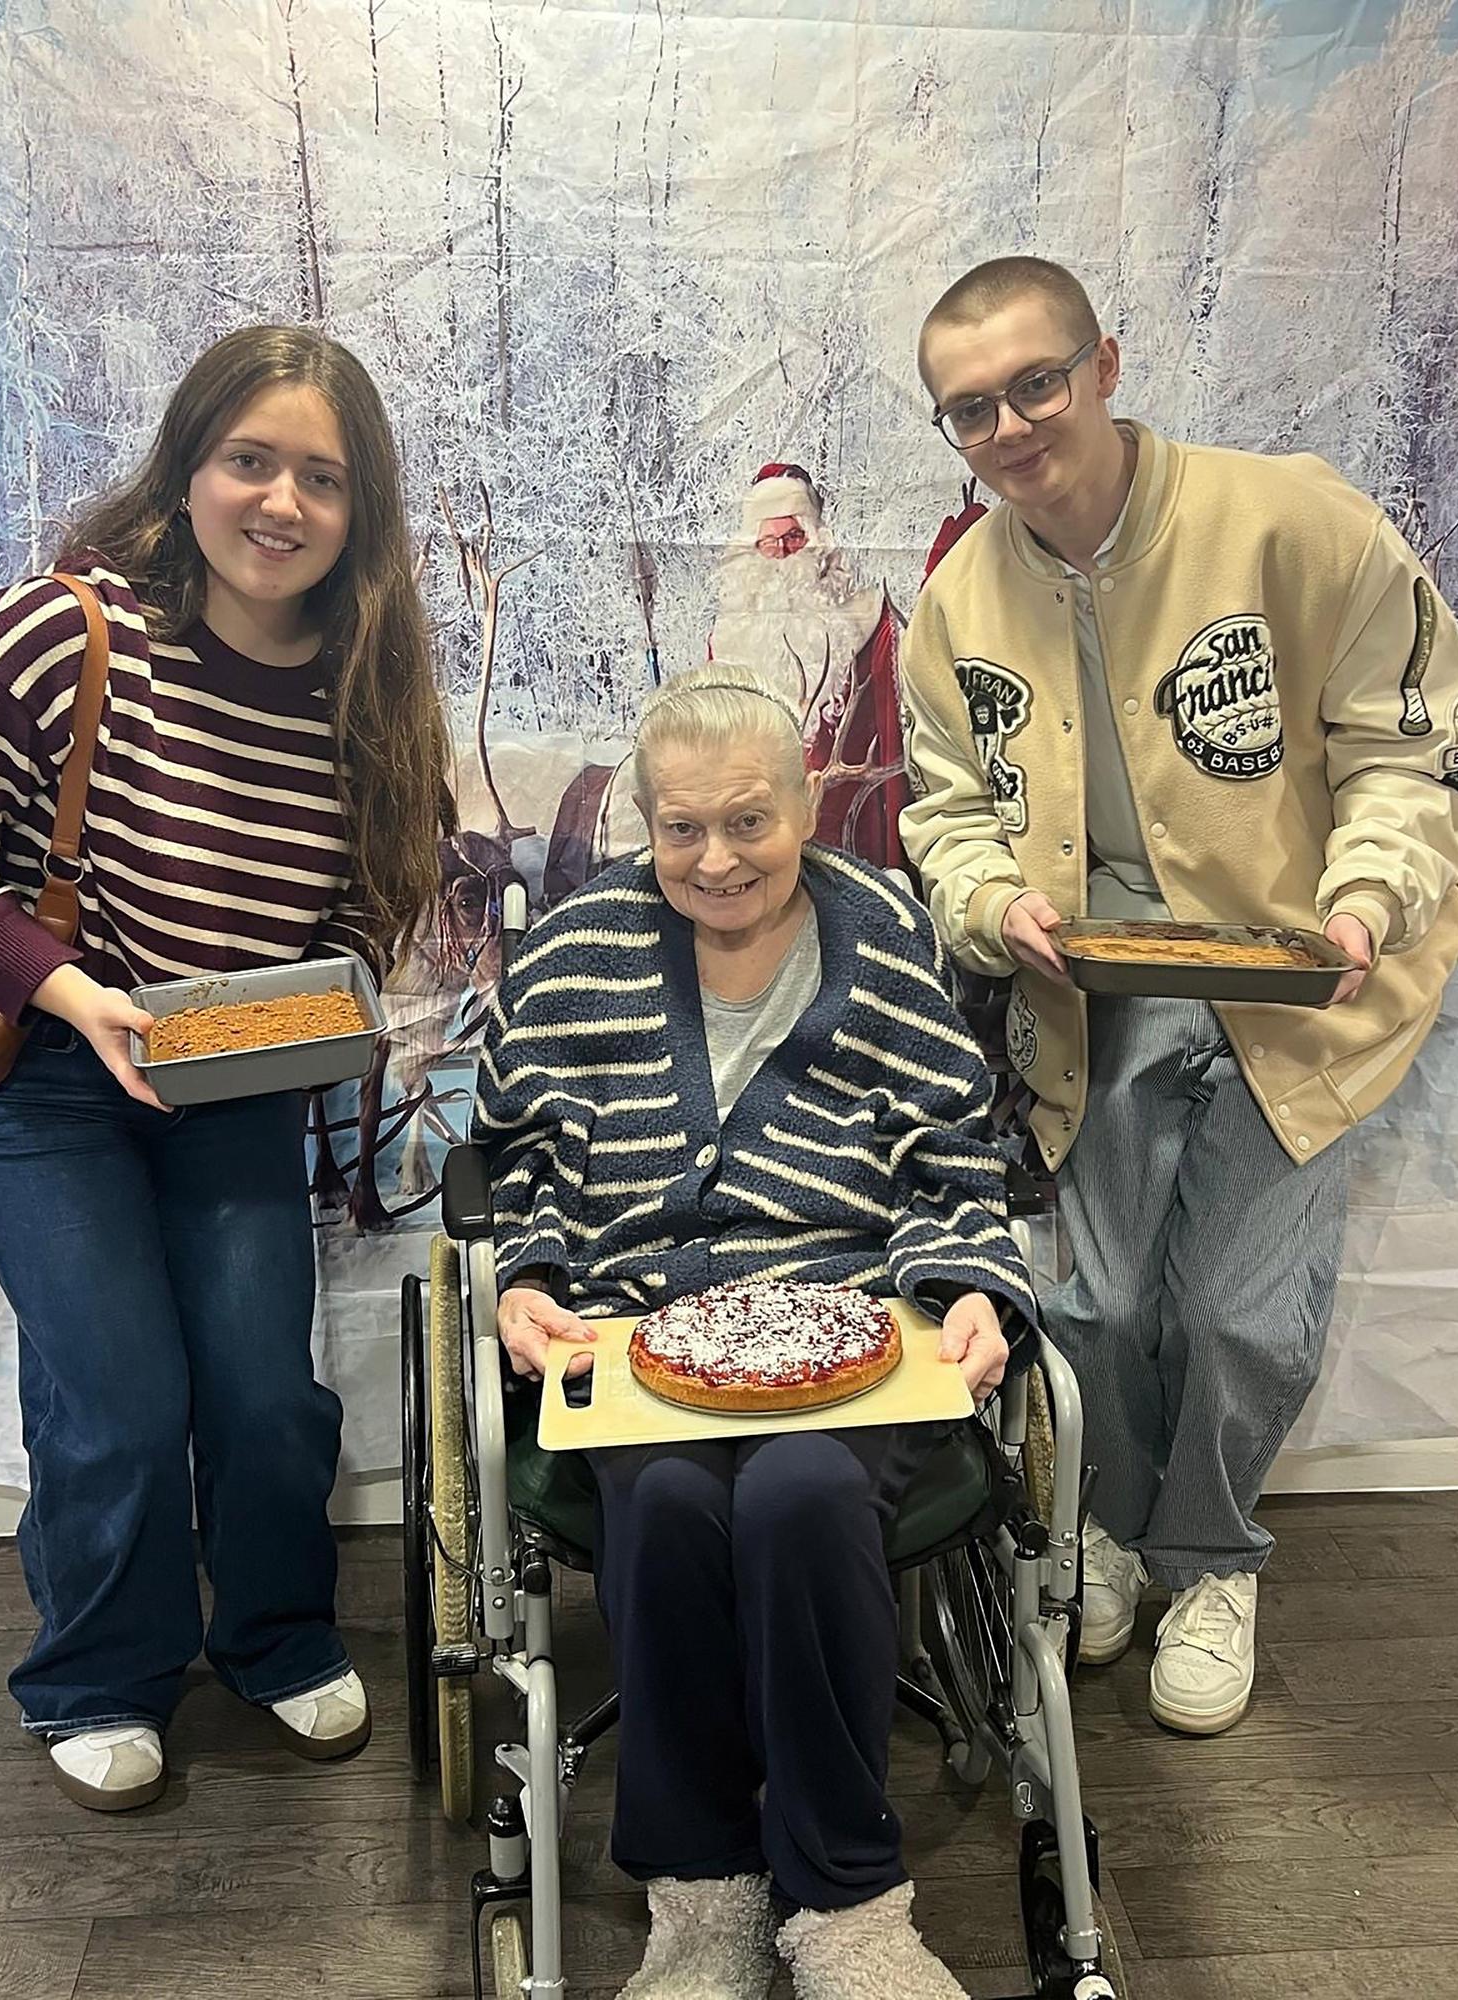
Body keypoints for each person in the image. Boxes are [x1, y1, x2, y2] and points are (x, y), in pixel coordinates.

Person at [899, 255, 1458, 1737]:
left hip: (1303, 976)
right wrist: (987, 904)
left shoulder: (1297, 519)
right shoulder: (960, 598)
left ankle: (1211, 1560)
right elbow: (947, 807)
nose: (1014, 426)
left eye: (1038, 382)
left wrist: (1367, 901)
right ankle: (1097, 1525)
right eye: (973, 409)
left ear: (1105, 360)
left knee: (1232, 1307)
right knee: (1087, 1298)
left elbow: (1412, 743)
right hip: (1096, 984)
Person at [474, 666, 1037, 2000]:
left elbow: (956, 1154)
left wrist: (969, 1288)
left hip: (850, 1326)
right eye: (682, 829)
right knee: (667, 1500)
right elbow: (519, 1153)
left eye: (749, 822)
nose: (716, 860)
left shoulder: (884, 932)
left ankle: (846, 1906)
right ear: (645, 826)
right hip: (637, 1333)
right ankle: (706, 1895)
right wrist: (529, 1275)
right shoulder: (582, 949)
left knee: (796, 1491)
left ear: (809, 807)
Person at [0, 325, 450, 1808]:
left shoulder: (364, 684)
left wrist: (343, 1000)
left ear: (357, 509)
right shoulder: (64, 634)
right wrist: (71, 992)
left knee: (262, 1389)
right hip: (50, 1076)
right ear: (186, 473)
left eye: (321, 475)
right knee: (114, 1389)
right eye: (250, 460)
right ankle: (99, 1673)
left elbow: (361, 902)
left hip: (229, 1076)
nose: (281, 503)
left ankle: (276, 1633)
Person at [710, 462, 910, 870]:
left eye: (795, 537)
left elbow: (893, 747)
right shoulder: (727, 638)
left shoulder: (868, 623)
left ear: (817, 539)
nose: (782, 553)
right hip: (755, 842)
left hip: (850, 841)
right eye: (769, 542)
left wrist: (895, 859)